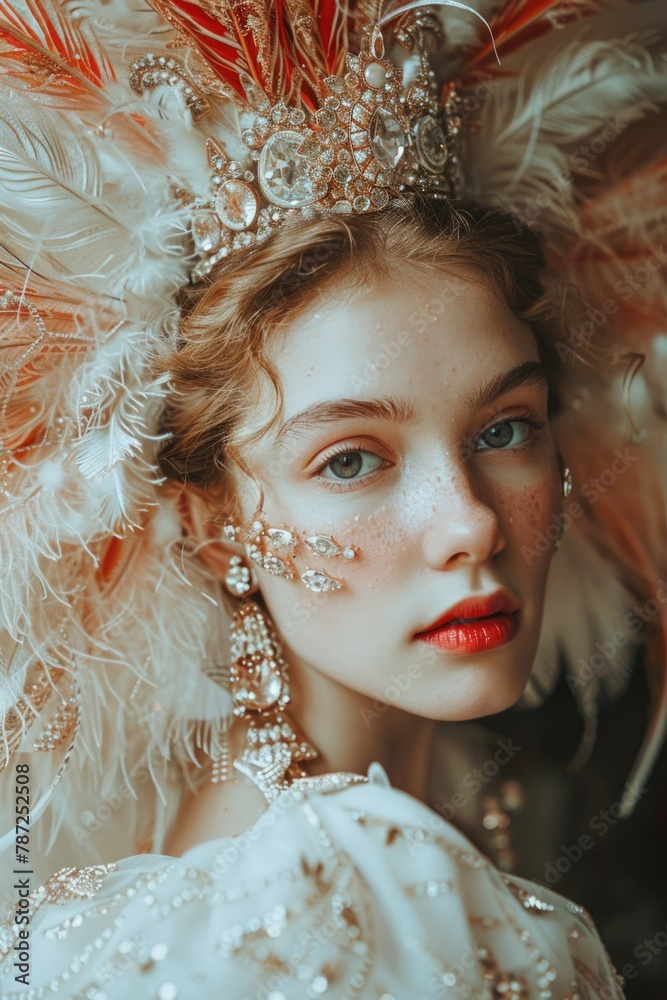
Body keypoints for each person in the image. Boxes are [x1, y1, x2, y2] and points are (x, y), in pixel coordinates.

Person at [0, 0, 665, 997]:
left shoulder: (494, 803)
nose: (470, 521)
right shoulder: (318, 915)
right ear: (215, 524)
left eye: (503, 430)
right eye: (351, 460)